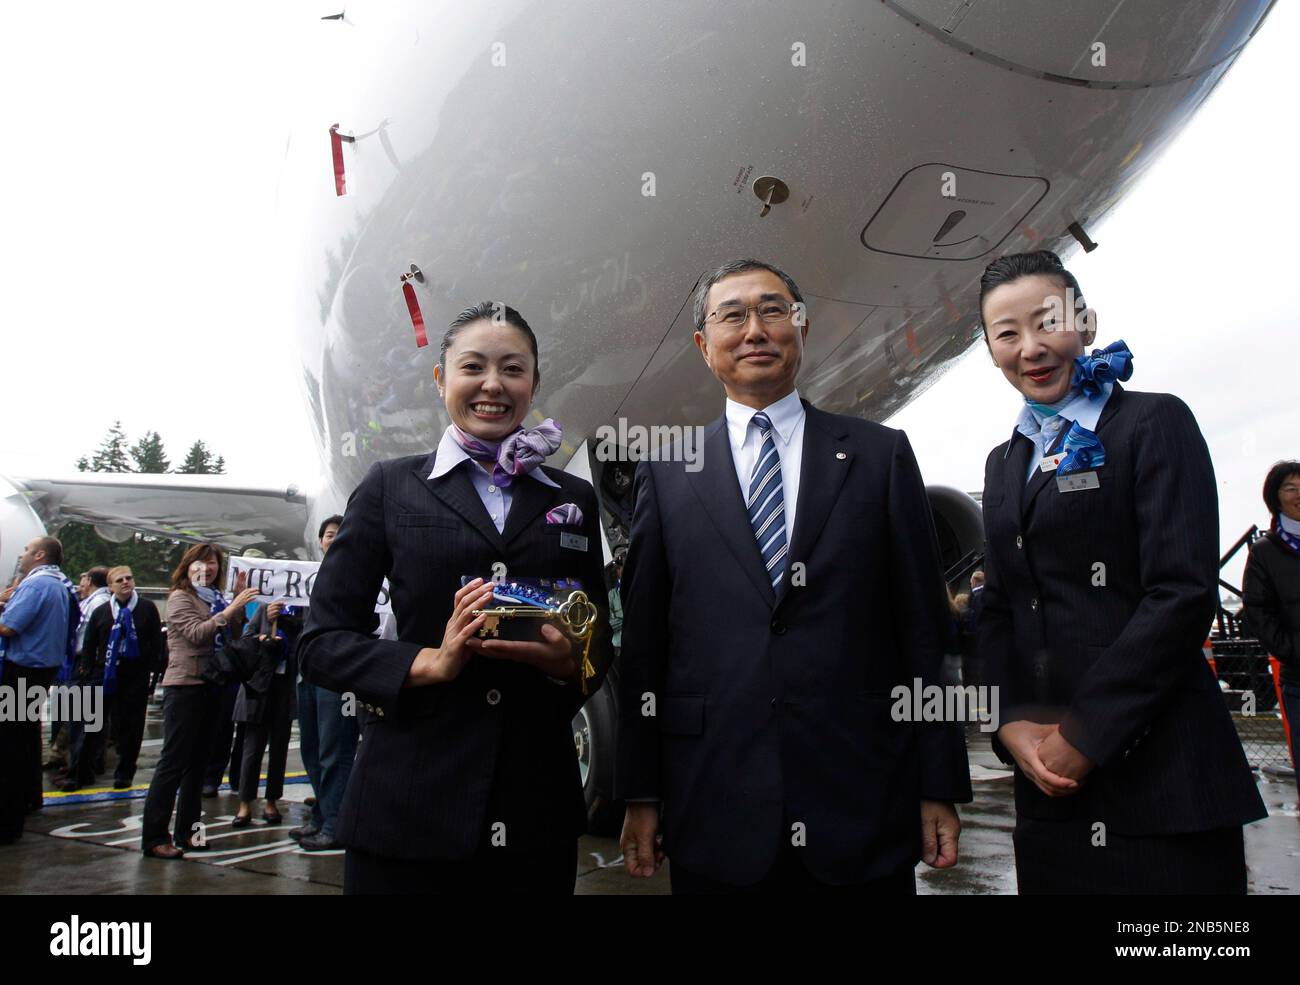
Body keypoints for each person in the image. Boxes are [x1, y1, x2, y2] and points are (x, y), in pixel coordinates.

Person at [616, 258, 971, 893]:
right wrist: (641, 793)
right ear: (704, 345)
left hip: (861, 806)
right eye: (732, 316)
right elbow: (645, 648)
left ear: (802, 328)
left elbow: (925, 632)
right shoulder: (666, 471)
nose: (755, 329)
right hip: (716, 808)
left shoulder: (879, 455)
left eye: (773, 310)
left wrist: (939, 783)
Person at [298, 301, 614, 894]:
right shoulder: (390, 486)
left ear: (534, 383)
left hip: (533, 816)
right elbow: (320, 644)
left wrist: (570, 663)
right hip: (407, 809)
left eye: (513, 369)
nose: (493, 384)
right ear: (441, 379)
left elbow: (596, 642)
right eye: (473, 367)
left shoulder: (573, 495)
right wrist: (427, 662)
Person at [976, 249, 1265, 894]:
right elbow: (998, 606)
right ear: (991, 351)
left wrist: (1087, 734)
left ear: (1087, 323)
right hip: (1048, 789)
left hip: (1160, 778)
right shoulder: (1004, 462)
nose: (1032, 348)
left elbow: (1180, 596)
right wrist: (1008, 722)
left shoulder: (1153, 422)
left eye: (1048, 322)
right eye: (1007, 334)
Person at [140, 544, 258, 859]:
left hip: (211, 685)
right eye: (200, 563)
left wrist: (235, 602)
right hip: (185, 686)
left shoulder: (215, 599)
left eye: (213, 564)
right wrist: (230, 610)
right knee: (173, 763)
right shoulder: (180, 598)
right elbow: (197, 633)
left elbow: (231, 633)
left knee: (198, 766)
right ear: (187, 566)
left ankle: (191, 834)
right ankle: (153, 837)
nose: (207, 569)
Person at [0, 537, 79, 843]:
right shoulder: (57, 584)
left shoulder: (36, 585)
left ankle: (8, 822)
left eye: (26, 551)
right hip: (41, 671)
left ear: (39, 555)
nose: (21, 555)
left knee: (10, 745)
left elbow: (9, 627)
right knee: (26, 739)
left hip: (23, 672)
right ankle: (29, 799)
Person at [290, 514, 360, 851]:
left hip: (337, 674)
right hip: (308, 674)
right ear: (319, 541)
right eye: (328, 534)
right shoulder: (304, 579)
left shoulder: (361, 573)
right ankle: (321, 814)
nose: (333, 539)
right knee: (313, 749)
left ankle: (335, 824)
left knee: (336, 749)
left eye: (339, 533)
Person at [68, 567, 163, 790]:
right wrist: (88, 669)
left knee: (131, 725)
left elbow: (155, 642)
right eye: (119, 580)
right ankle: (80, 772)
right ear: (110, 586)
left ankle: (125, 772)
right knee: (91, 724)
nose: (125, 582)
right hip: (104, 672)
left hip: (134, 673)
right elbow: (90, 643)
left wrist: (149, 670)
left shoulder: (146, 608)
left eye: (129, 578)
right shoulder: (102, 611)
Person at [1242, 460, 1300, 792]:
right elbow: (1257, 611)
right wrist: (1291, 651)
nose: (1298, 494)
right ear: (1276, 498)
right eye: (1290, 488)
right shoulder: (1266, 553)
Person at [232, 600, 302, 827]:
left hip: (284, 687)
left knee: (279, 749)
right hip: (259, 688)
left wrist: (289, 627)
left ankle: (271, 801)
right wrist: (265, 632)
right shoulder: (264, 607)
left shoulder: (302, 609)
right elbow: (245, 640)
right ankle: (245, 803)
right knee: (252, 749)